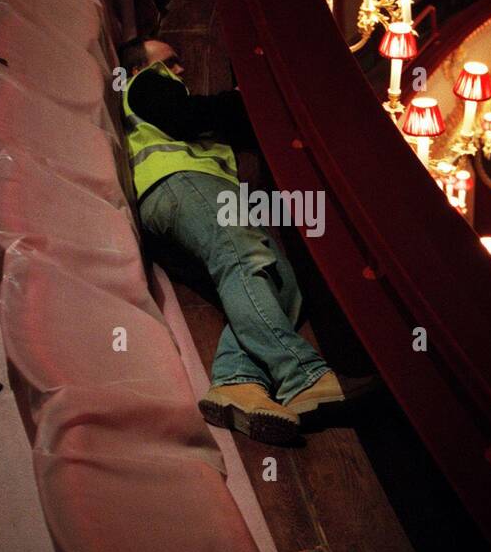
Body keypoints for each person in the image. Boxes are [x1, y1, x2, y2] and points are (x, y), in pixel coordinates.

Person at [119, 37, 367, 445]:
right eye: (171, 61)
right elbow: (188, 117)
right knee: (245, 257)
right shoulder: (146, 83)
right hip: (180, 184)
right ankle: (301, 376)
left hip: (197, 191)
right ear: (138, 68)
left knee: (281, 278)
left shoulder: (162, 94)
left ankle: (238, 382)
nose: (180, 69)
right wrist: (244, 97)